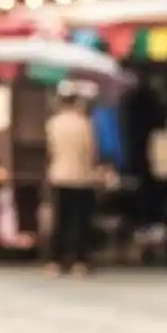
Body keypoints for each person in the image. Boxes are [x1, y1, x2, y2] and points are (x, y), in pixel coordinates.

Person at [45, 88, 100, 277]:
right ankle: (79, 262)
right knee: (80, 222)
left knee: (60, 220)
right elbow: (92, 151)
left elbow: (50, 150)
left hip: (59, 175)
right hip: (82, 177)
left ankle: (55, 262)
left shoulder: (53, 123)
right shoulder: (85, 123)